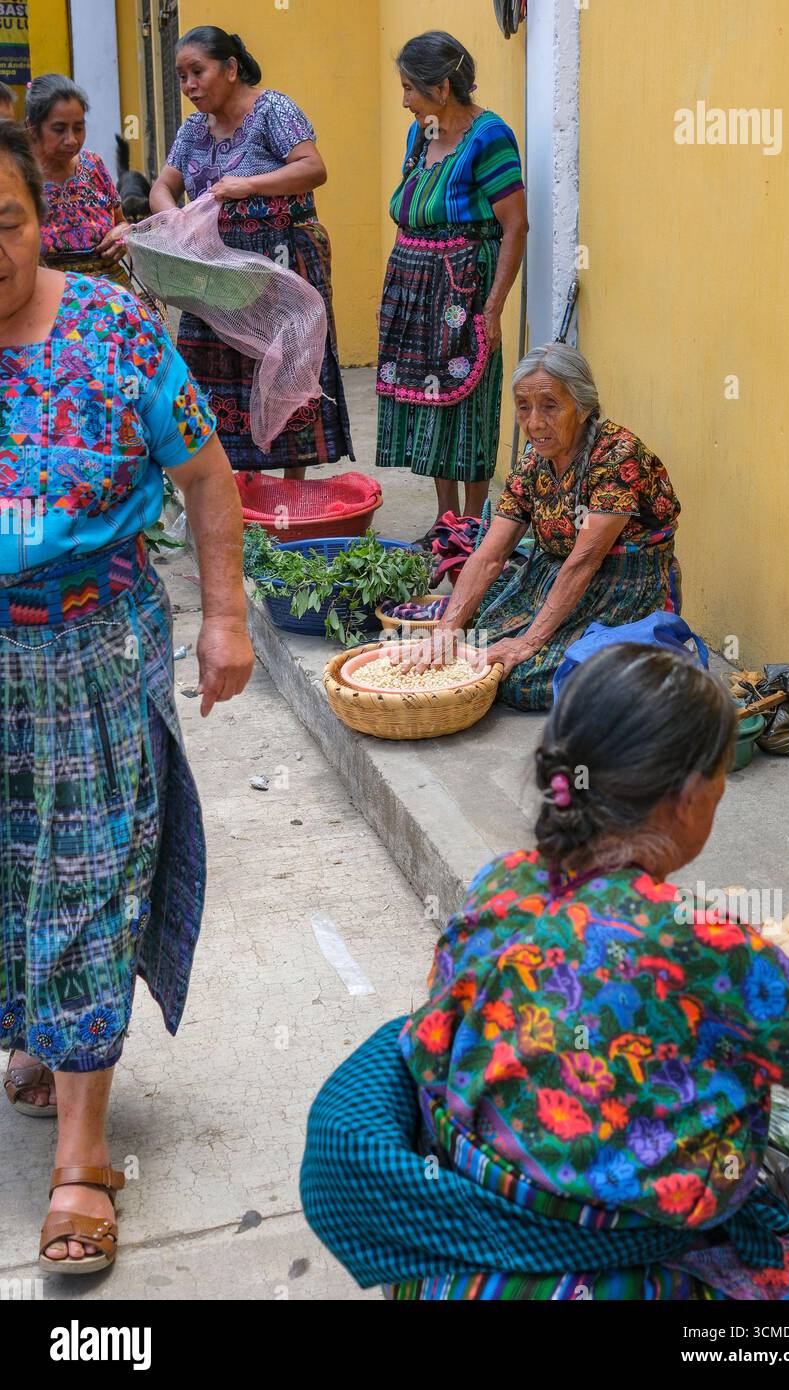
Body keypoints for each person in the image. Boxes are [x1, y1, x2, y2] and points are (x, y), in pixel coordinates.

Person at [302, 645, 789, 1300]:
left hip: (458, 1257)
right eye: (718, 782)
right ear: (687, 798)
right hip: (598, 1275)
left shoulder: (500, 885)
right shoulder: (703, 944)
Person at [0, 122, 254, 1273]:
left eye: (1, 224)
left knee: (93, 876)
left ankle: (81, 1162)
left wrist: (227, 616)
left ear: (39, 219)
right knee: (17, 873)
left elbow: (205, 472)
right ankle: (38, 1035)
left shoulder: (112, 329)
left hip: (97, 647)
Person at [401, 343, 683, 709]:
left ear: (582, 408)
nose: (534, 423)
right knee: (477, 647)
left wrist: (528, 642)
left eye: (550, 406)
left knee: (523, 677)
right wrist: (444, 633)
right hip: (554, 574)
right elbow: (490, 554)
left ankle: (651, 665)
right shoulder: (535, 460)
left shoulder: (617, 456)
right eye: (524, 407)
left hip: (624, 582)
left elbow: (585, 561)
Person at [150, 26, 353, 480]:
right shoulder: (191, 130)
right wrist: (178, 221)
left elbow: (313, 168)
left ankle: (288, 497)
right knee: (217, 375)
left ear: (231, 68)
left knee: (281, 366)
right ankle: (238, 496)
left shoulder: (272, 110)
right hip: (213, 268)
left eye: (197, 72)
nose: (188, 86)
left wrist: (249, 185)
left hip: (278, 262)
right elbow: (163, 187)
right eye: (182, 76)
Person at [375, 31, 528, 541]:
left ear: (441, 88)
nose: (404, 100)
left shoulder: (489, 137)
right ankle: (445, 522)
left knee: (472, 404)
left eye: (410, 89)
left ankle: (474, 526)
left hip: (465, 288)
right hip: (417, 290)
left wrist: (494, 307)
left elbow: (515, 226)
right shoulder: (421, 134)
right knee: (430, 403)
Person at [26, 75, 133, 286]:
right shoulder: (19, 178)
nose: (72, 140)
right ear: (32, 127)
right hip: (50, 298)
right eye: (59, 129)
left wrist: (123, 234)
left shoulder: (93, 166)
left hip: (111, 295)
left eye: (78, 127)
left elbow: (121, 221)